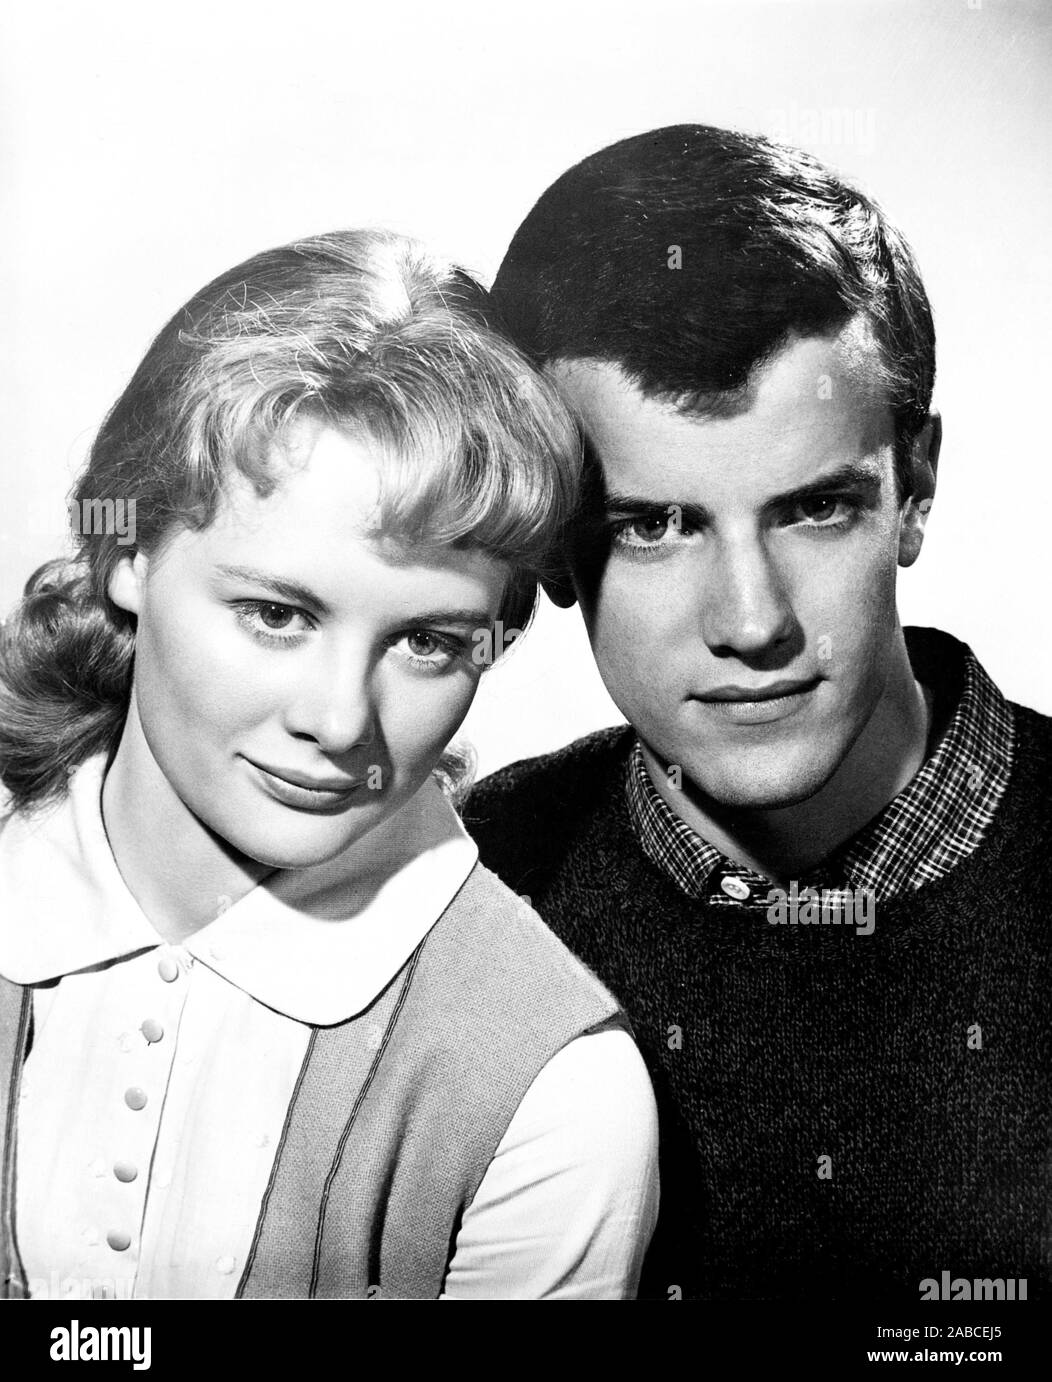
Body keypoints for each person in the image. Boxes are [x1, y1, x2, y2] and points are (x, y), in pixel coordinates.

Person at [0, 228, 658, 1301]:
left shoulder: (552, 1092)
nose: (339, 719)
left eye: (427, 642)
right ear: (126, 553)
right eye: (275, 613)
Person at [464, 125, 1052, 1301]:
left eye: (814, 509)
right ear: (551, 548)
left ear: (913, 492)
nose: (749, 621)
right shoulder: (475, 888)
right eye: (654, 525)